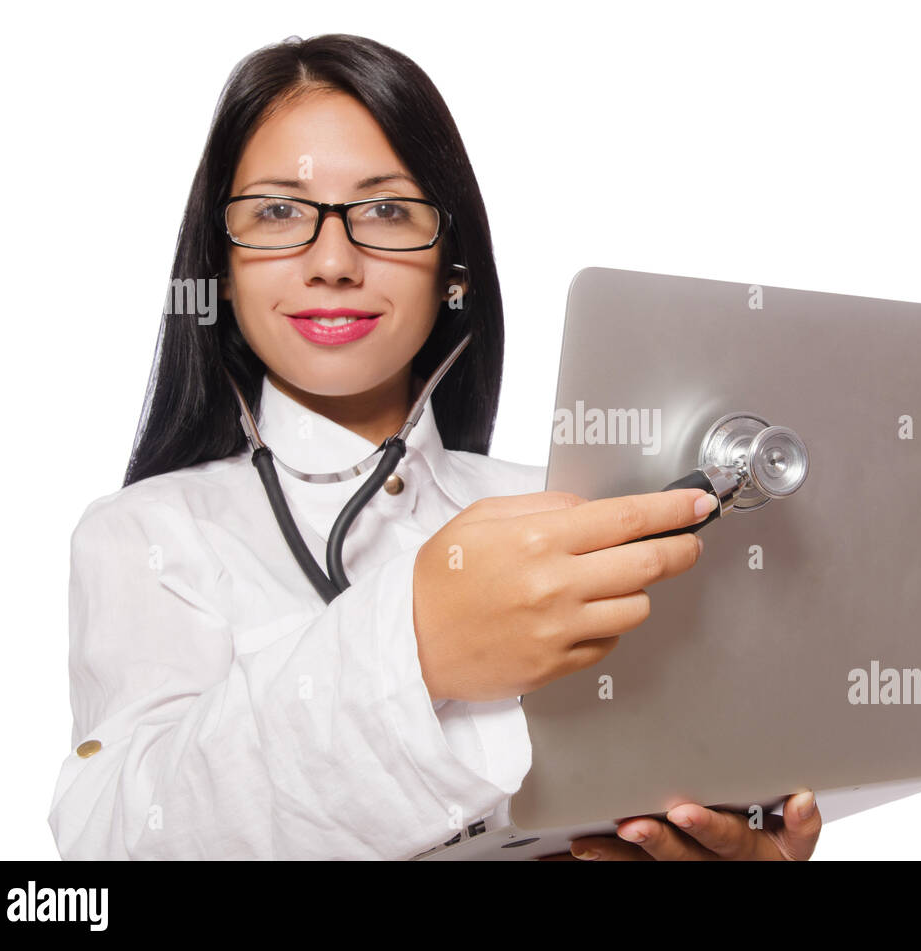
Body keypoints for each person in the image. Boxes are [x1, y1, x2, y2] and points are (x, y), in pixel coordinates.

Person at [47, 33, 822, 861]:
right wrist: (413, 646)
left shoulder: (577, 509)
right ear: (221, 266)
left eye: (385, 210)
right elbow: (112, 839)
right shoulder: (148, 535)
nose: (334, 261)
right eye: (277, 211)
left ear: (453, 266)